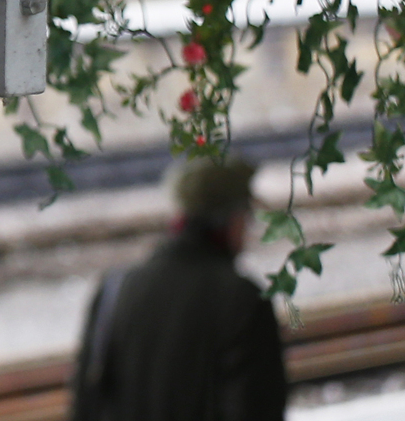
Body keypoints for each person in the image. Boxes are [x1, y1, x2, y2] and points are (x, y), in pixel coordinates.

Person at [67, 155, 288, 419]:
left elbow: (85, 406)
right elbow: (255, 409)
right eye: (247, 216)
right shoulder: (242, 299)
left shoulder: (115, 290)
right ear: (228, 220)